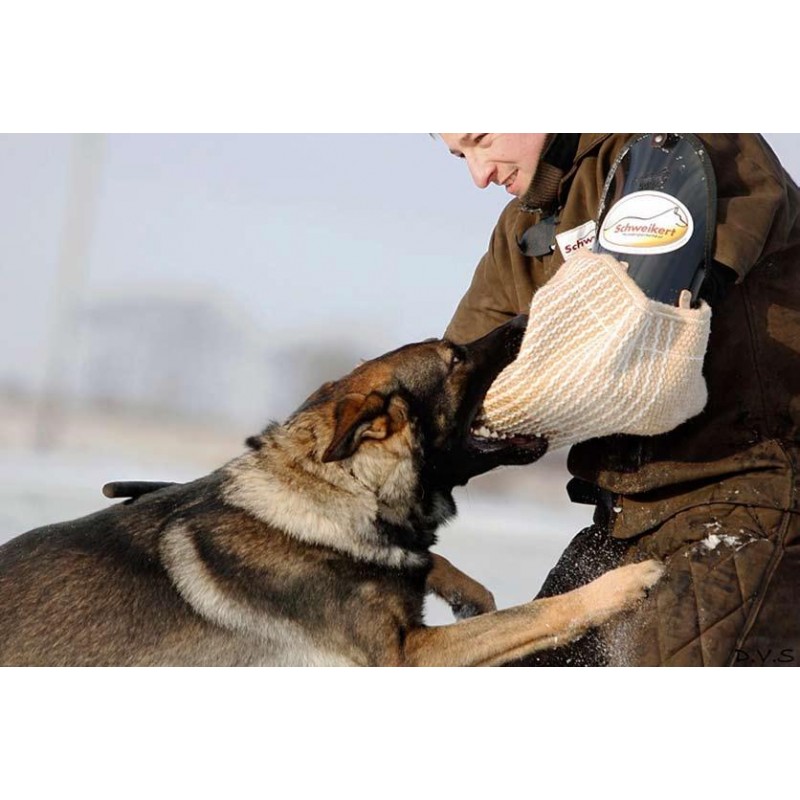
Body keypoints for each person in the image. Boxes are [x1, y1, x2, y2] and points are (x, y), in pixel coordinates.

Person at [439, 133, 800, 666]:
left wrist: (513, 393)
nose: (479, 173)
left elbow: (628, 331)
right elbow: (450, 389)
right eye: (459, 155)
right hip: (625, 520)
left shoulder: (678, 142)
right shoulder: (523, 228)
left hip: (747, 497)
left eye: (481, 139)